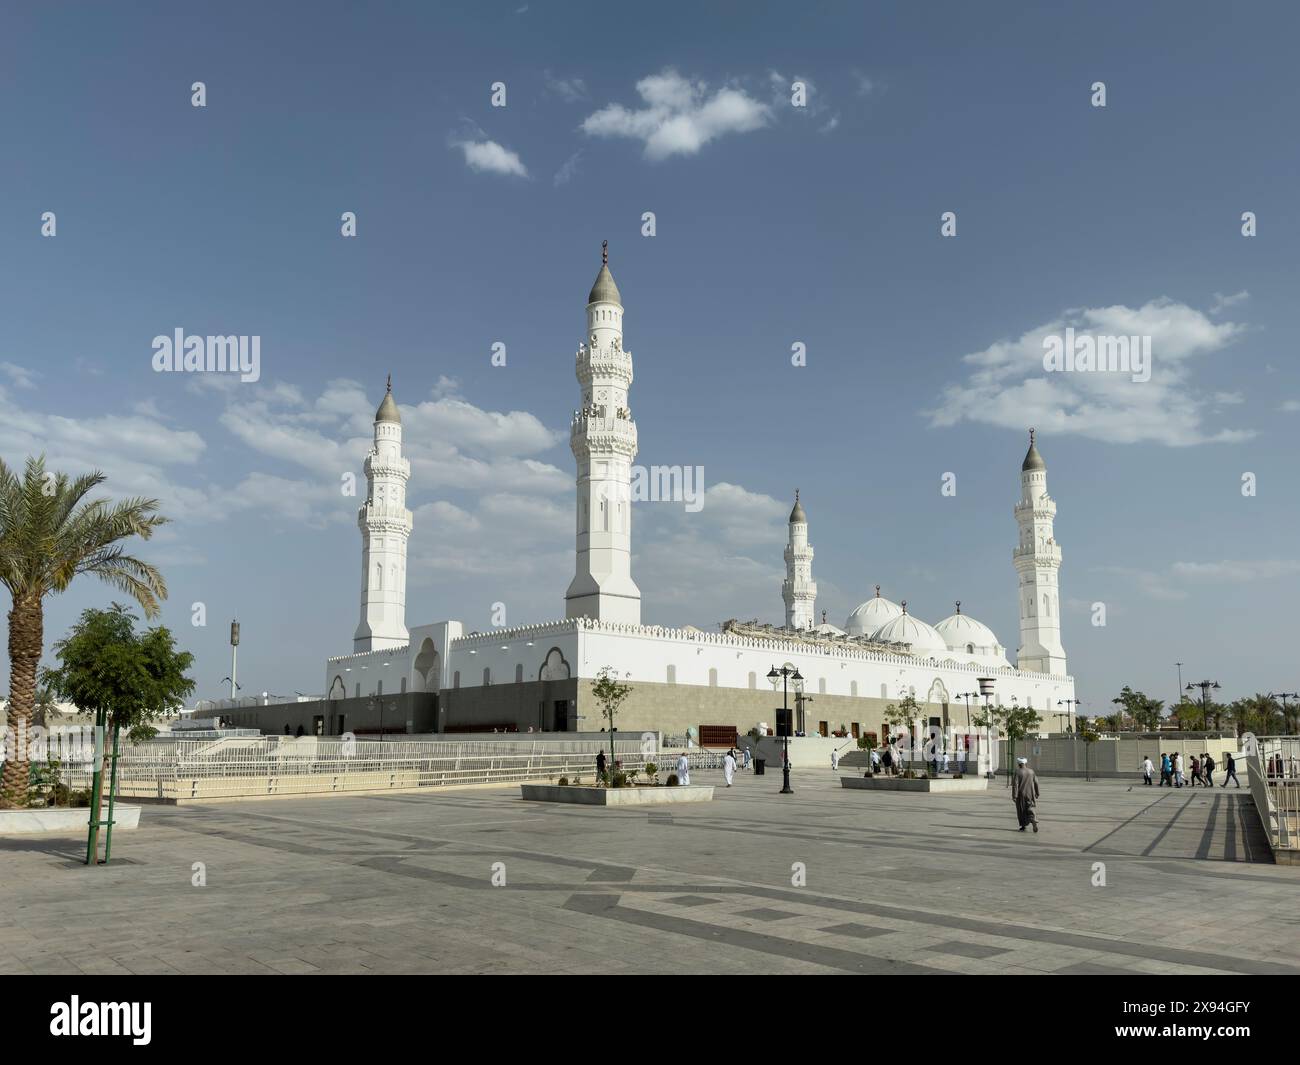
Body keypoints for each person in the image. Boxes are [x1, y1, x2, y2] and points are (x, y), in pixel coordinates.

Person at [1012, 756, 1040, 833]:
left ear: (1018, 763)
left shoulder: (1017, 772)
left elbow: (1015, 785)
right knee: (1030, 807)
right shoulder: (1031, 771)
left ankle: (1023, 826)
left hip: (1021, 795)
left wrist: (1014, 796)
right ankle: (1033, 819)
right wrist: (1037, 793)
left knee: (1021, 810)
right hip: (1030, 793)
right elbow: (1036, 782)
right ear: (1025, 763)